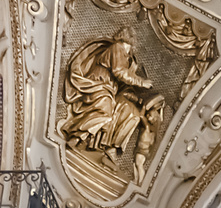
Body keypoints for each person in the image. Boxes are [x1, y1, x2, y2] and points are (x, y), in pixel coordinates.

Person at [60, 26, 154, 167]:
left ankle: (109, 151)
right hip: (98, 84)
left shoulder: (127, 55)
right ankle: (76, 136)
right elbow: (118, 72)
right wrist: (141, 82)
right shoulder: (118, 48)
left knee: (131, 114)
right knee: (105, 111)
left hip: (111, 89)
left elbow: (125, 76)